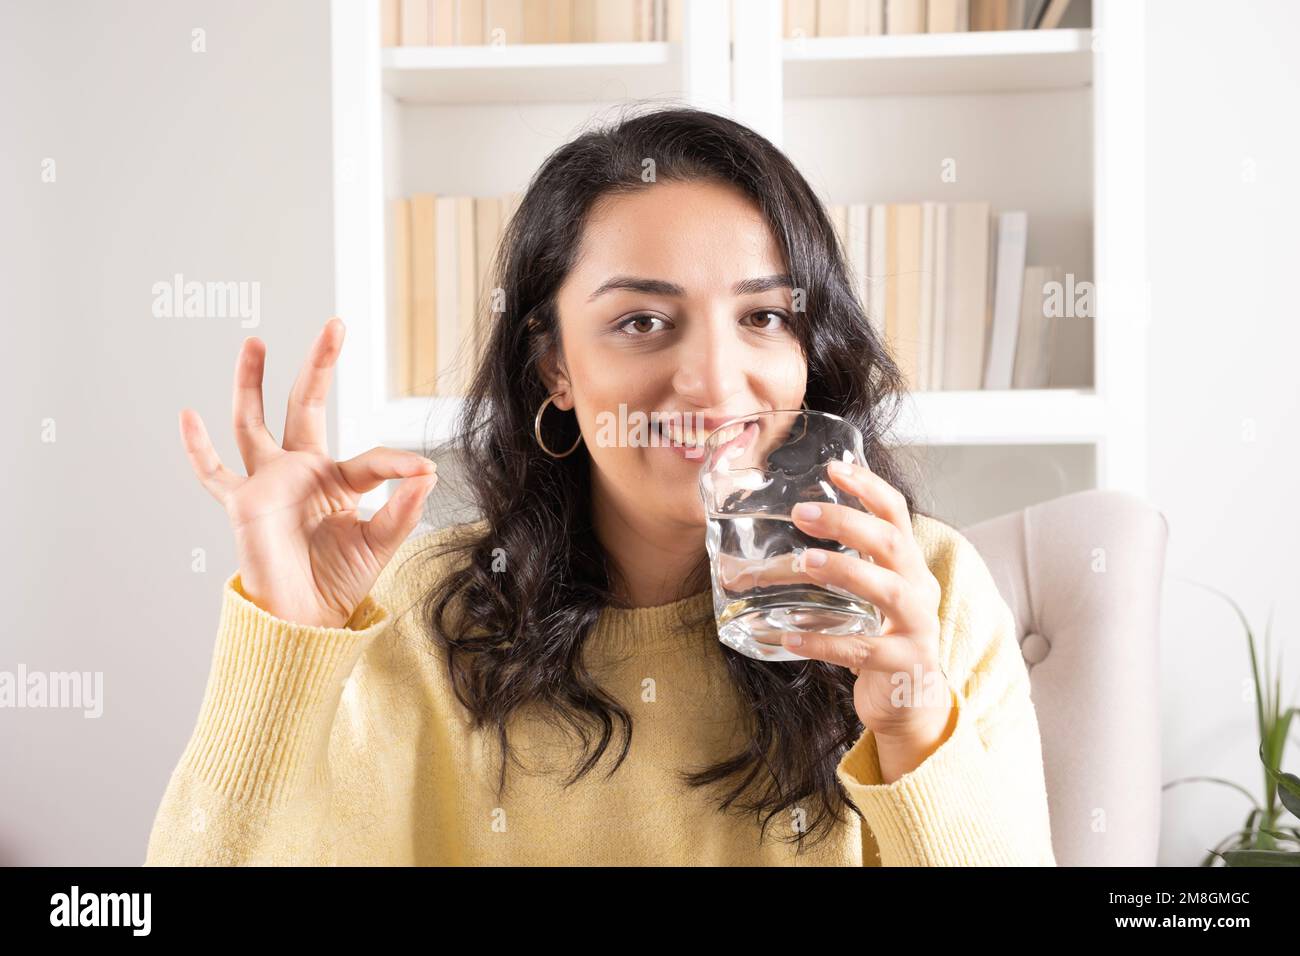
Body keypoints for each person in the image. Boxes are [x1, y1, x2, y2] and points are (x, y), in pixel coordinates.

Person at [144, 105, 1056, 866]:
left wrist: (913, 723)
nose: (713, 381)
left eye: (764, 316)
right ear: (555, 369)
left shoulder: (926, 597)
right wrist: (286, 641)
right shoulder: (416, 620)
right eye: (643, 320)